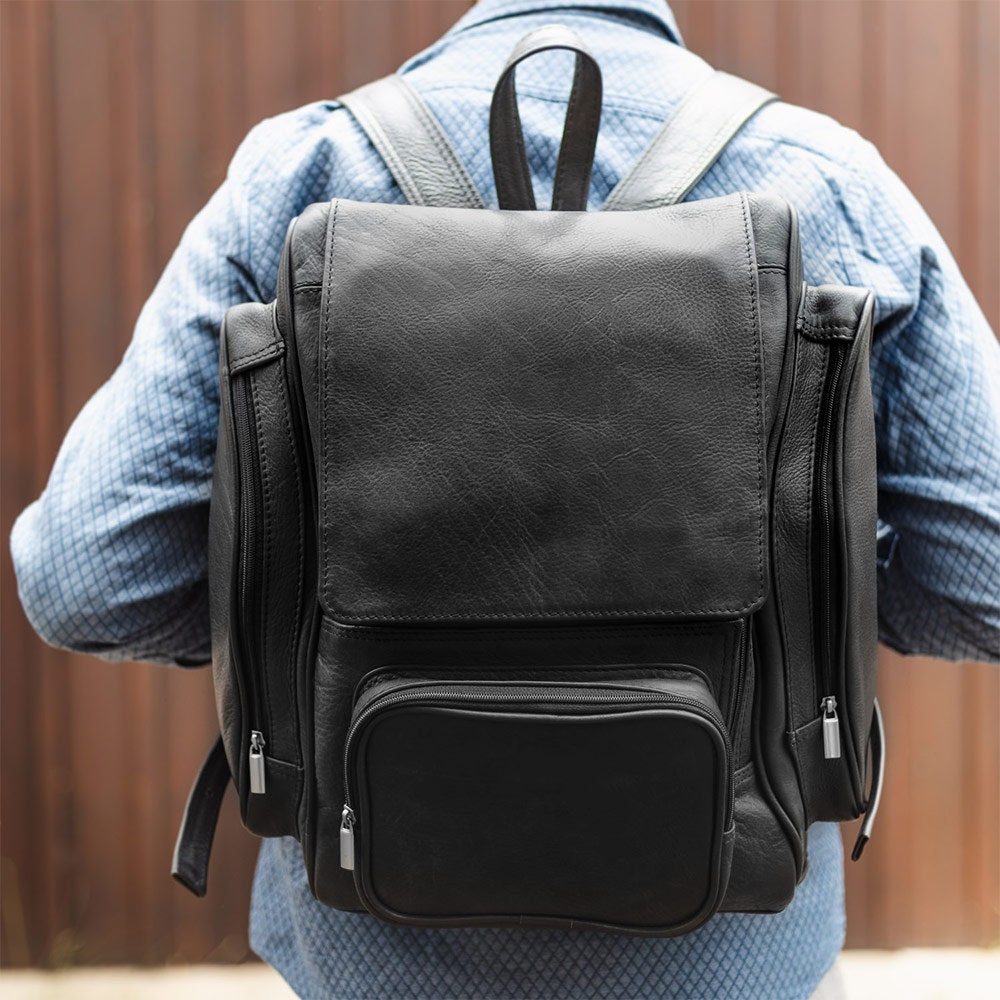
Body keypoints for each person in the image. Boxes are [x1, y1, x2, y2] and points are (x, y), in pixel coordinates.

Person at [9, 1, 999, 997]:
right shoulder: (823, 179)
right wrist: (796, 571)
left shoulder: (301, 173)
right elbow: (984, 579)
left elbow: (89, 578)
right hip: (738, 954)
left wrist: (296, 598)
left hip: (371, 954)